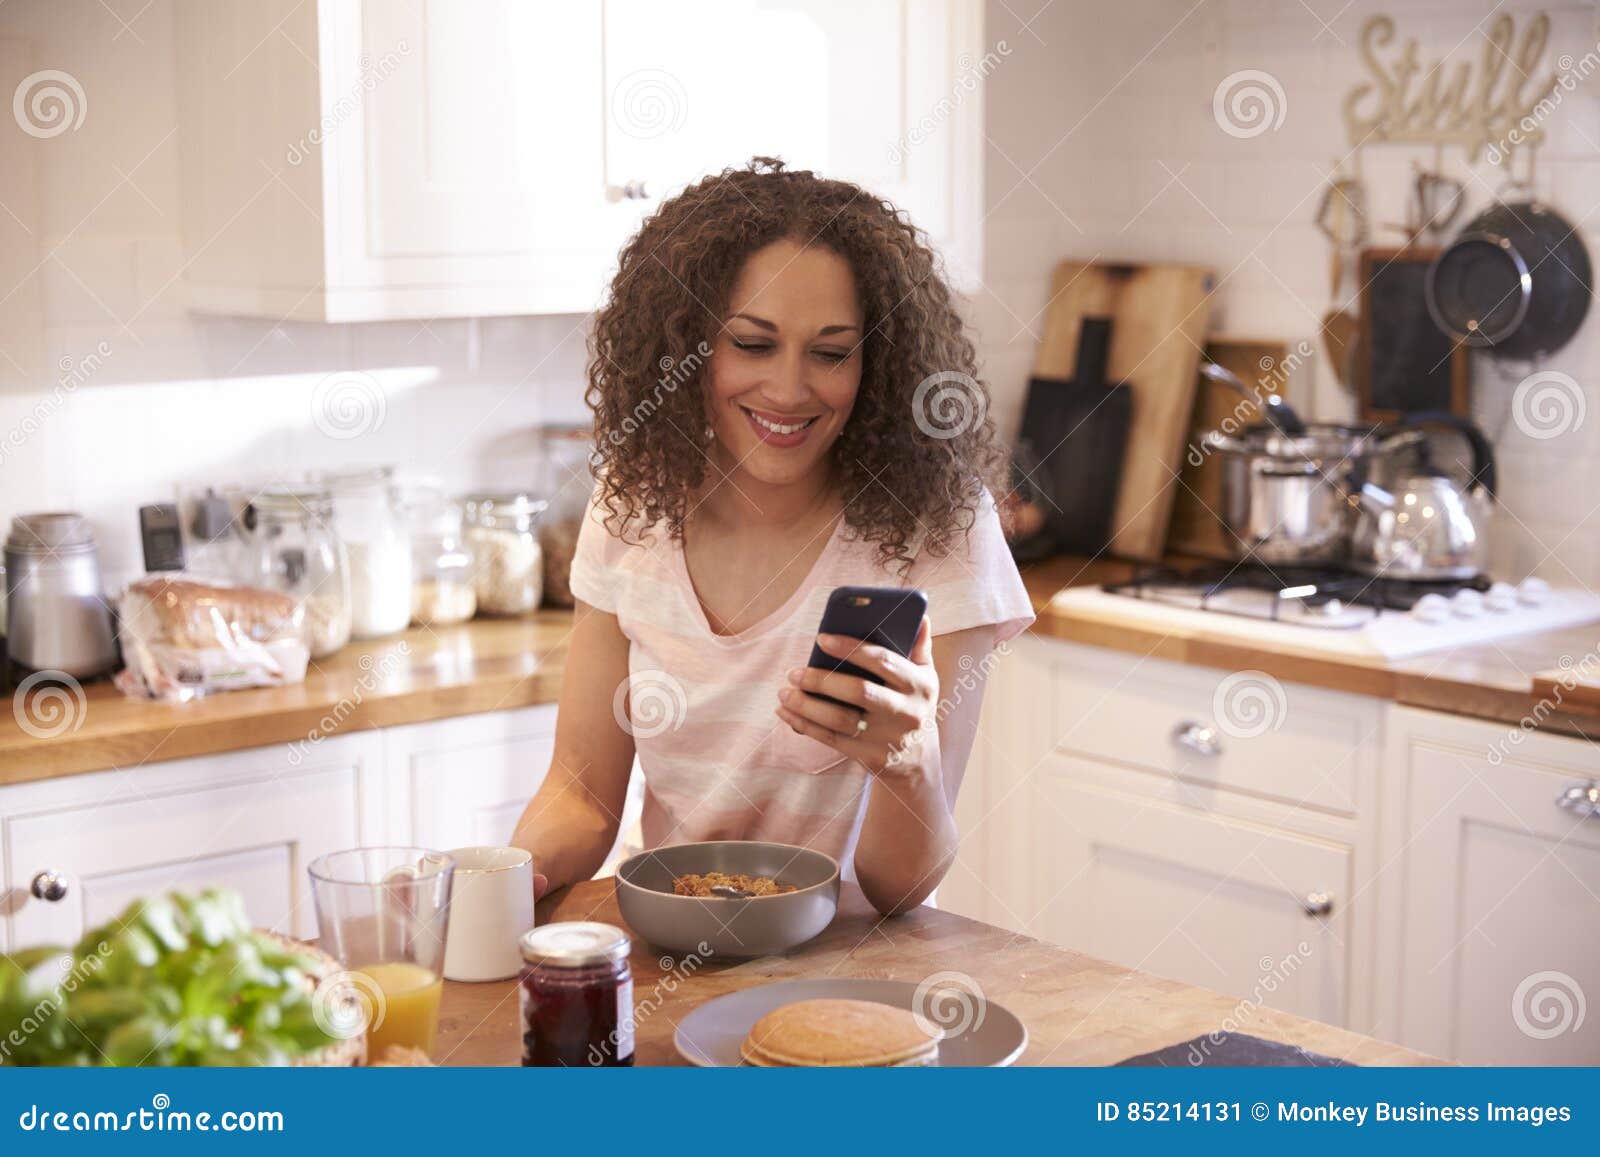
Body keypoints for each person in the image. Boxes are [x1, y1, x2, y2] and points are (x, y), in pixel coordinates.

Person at [514, 158, 1033, 916]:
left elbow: (899, 886)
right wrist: (505, 874)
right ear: (686, 345)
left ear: (878, 362)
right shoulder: (635, 503)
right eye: (752, 345)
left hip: (851, 977)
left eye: (830, 353)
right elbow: (583, 794)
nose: (790, 390)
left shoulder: (938, 527)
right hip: (667, 943)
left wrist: (909, 764)